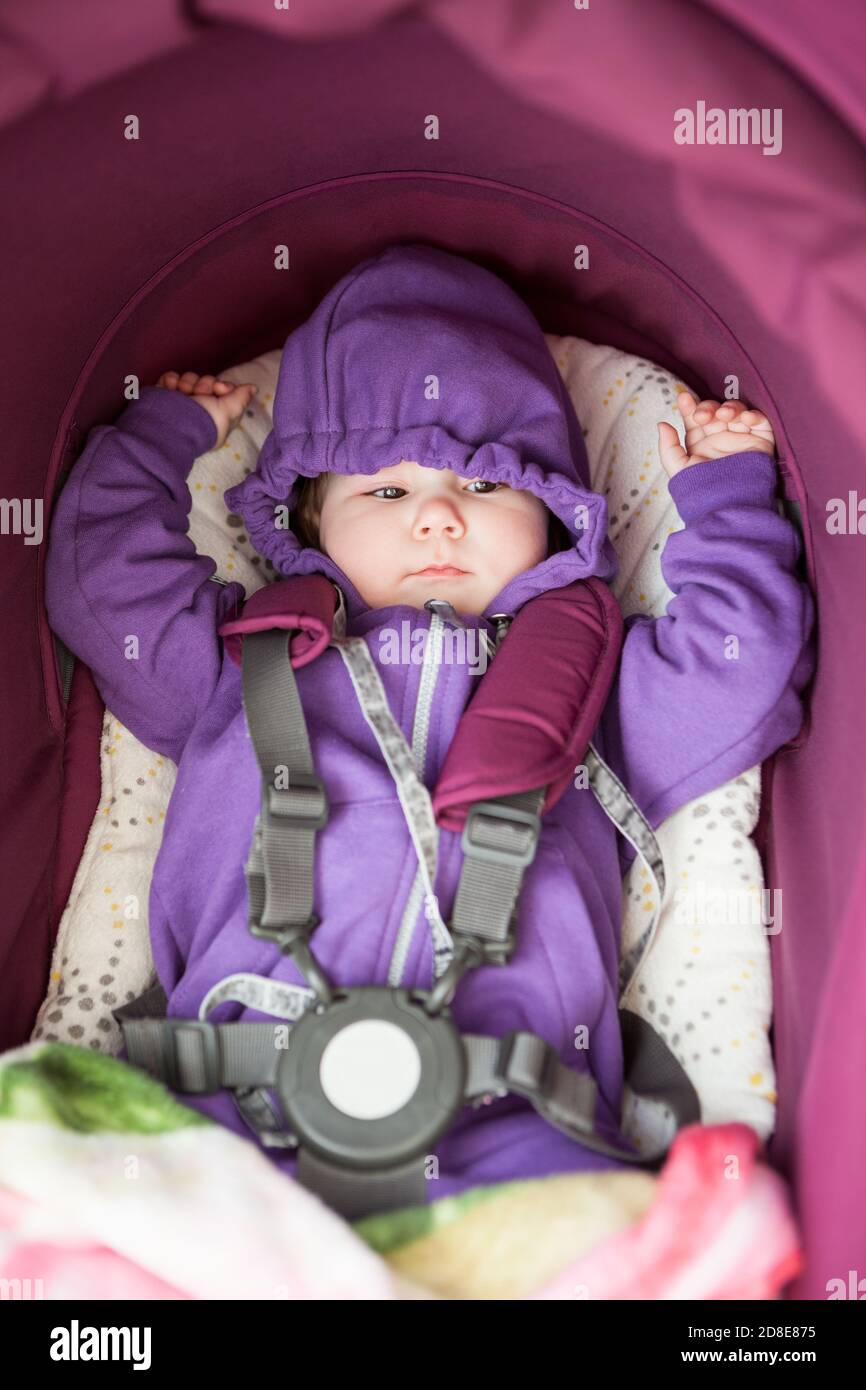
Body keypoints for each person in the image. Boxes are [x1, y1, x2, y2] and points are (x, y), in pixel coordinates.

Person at [44, 243, 814, 1202]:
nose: (441, 519)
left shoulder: (595, 685)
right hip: (236, 1103)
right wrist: (160, 436)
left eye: (486, 486)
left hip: (513, 1123)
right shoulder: (239, 661)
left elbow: (740, 669)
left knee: (691, 1243)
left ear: (559, 517)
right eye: (387, 491)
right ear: (310, 521)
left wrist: (728, 495)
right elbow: (103, 587)